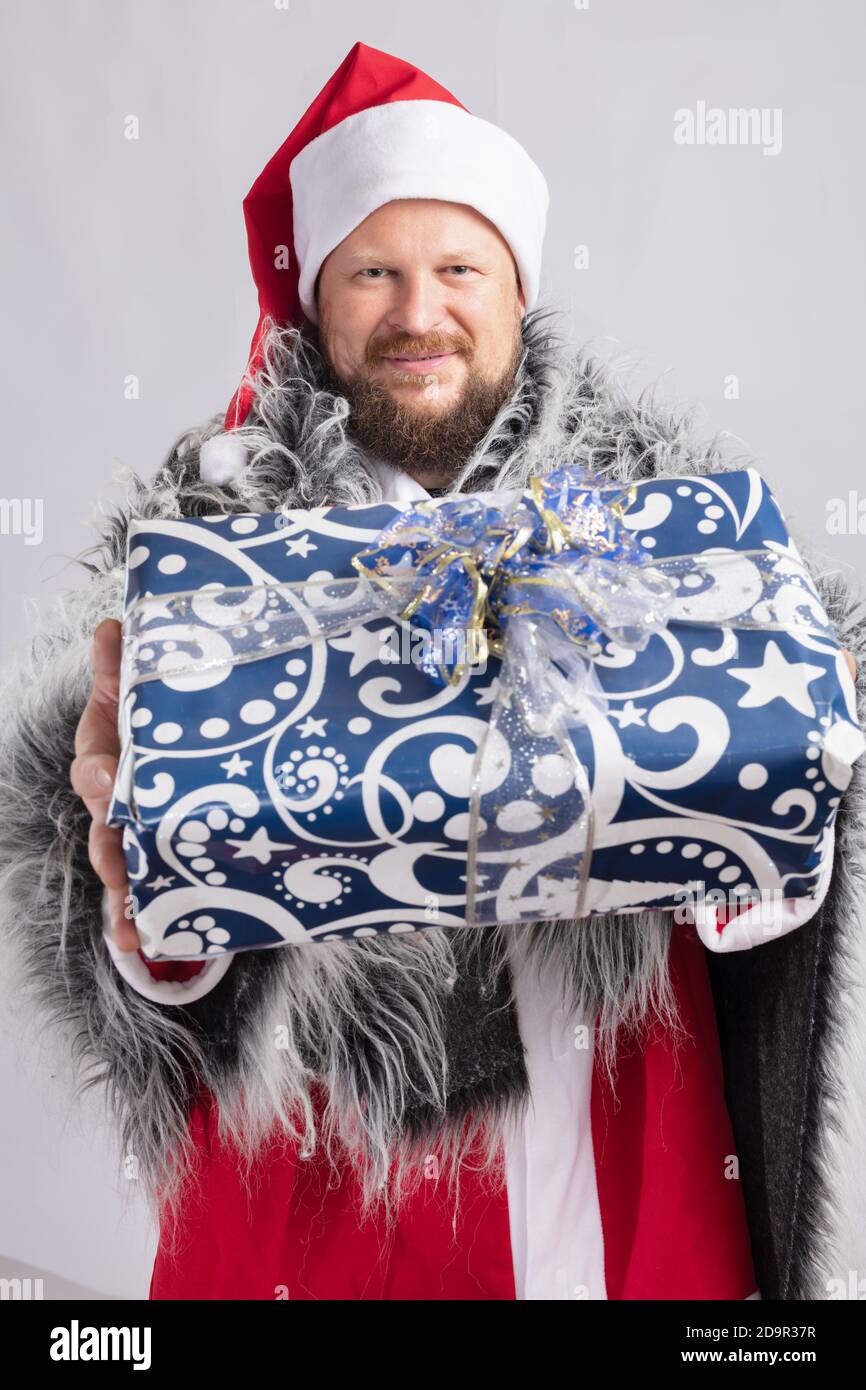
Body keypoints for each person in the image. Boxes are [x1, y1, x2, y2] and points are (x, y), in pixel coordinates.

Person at [2, 41, 864, 1301]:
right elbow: (159, 965)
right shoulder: (205, 564)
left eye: (458, 267)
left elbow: (755, 879)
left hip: (599, 1118)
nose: (418, 313)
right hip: (334, 1170)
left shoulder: (656, 525)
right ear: (316, 302)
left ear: (516, 291)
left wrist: (770, 807)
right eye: (373, 272)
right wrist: (141, 906)